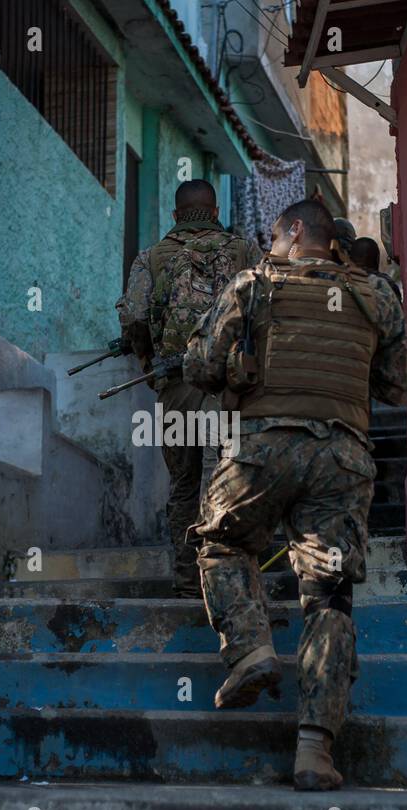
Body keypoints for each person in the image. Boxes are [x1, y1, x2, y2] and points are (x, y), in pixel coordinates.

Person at [183, 199, 407, 790]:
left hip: (261, 449)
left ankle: (253, 648)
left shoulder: (253, 285)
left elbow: (202, 366)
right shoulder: (376, 295)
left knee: (222, 544)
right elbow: (395, 384)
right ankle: (315, 751)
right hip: (343, 458)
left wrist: (235, 363)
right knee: (328, 597)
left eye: (275, 234)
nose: (271, 243)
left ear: (294, 231)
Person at [116, 180, 261, 598]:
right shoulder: (244, 251)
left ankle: (186, 581)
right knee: (231, 478)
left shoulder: (153, 258)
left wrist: (153, 366)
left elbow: (136, 318)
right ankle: (232, 581)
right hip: (231, 388)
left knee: (184, 484)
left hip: (178, 388)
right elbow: (267, 313)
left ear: (176, 216)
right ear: (214, 211)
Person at [349, 235, 404, 303]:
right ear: (377, 259)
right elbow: (398, 311)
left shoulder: (341, 278)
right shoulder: (385, 283)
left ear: (350, 258)